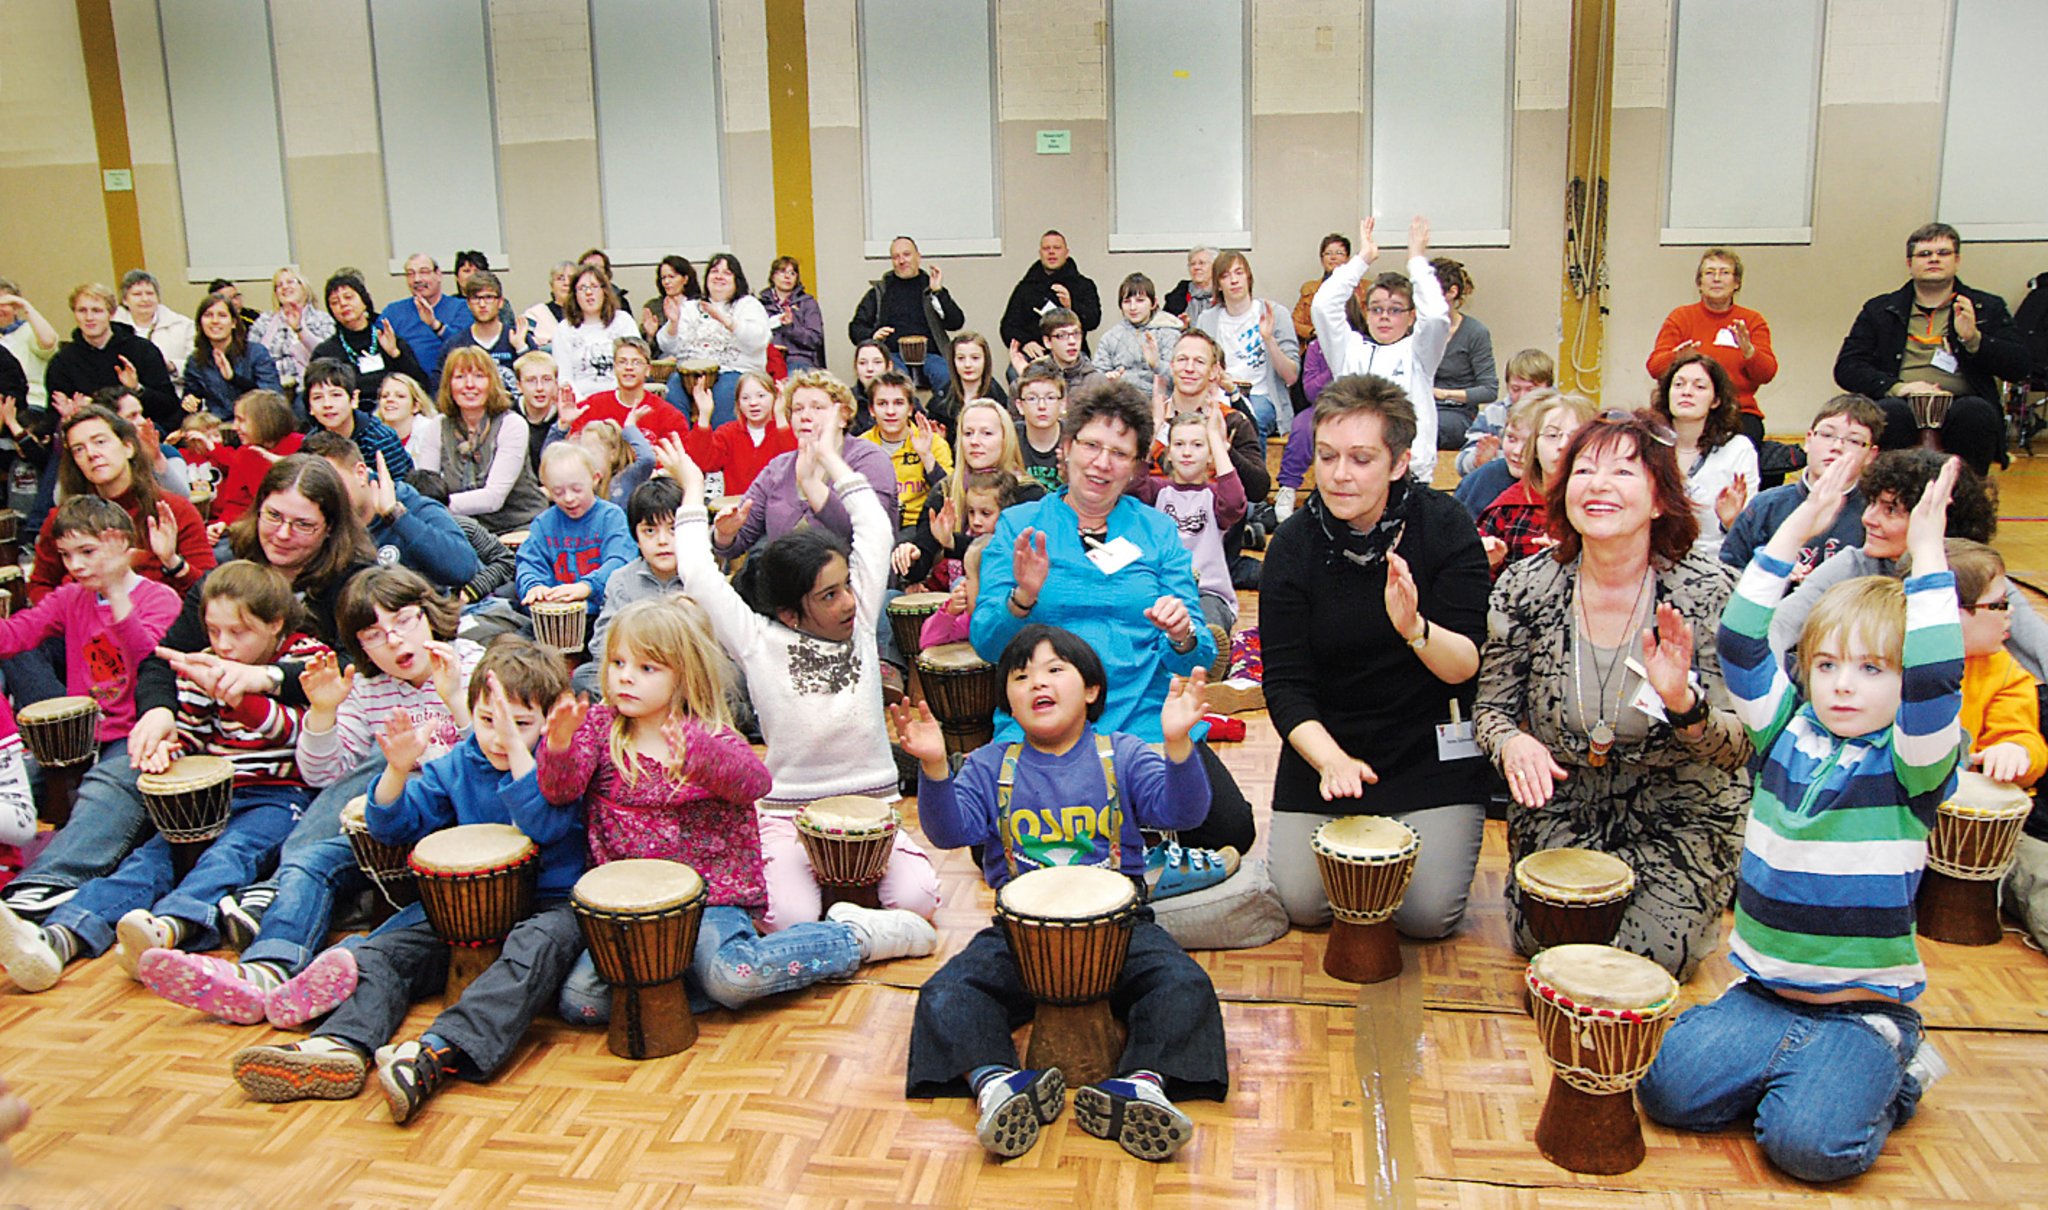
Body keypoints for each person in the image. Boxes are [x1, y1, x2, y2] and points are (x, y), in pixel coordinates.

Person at [1637, 454, 1962, 1183]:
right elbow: (1744, 639)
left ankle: (1893, 1068)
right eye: (1829, 666)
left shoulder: (1911, 761)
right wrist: (1802, 524)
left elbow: (1941, 674)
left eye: (1874, 670)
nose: (1844, 686)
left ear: (1904, 685)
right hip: (1762, 992)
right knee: (1666, 1092)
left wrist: (1931, 554)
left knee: (1807, 1149)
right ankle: (1797, 1064)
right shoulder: (1785, 728)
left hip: (1861, 1009)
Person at [898, 624, 1226, 1161]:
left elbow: (1184, 813)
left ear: (1092, 689)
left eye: (1055, 670)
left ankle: (1141, 1085)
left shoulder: (1121, 753)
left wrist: (1177, 747)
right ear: (1007, 697)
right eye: (1021, 676)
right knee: (947, 993)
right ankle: (999, 1085)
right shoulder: (989, 764)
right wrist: (935, 767)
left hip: (1121, 929)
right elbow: (950, 833)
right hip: (1018, 935)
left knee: (1183, 985)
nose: (1036, 683)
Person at [0, 456, 373, 928]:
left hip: (307, 756)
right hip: (216, 745)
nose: (281, 533)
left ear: (329, 529)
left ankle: (245, 906)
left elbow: (357, 662)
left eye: (302, 524)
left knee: (257, 835)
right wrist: (158, 713)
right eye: (273, 517)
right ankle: (45, 888)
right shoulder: (228, 576)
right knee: (121, 773)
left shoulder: (352, 582)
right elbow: (165, 658)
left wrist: (271, 677)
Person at [227, 641, 580, 1125]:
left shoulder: (562, 764)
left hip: (549, 904)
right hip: (462, 904)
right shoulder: (457, 764)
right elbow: (393, 826)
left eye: (519, 724)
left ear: (546, 722)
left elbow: (546, 826)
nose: (500, 737)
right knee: (378, 951)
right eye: (487, 720)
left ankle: (436, 1052)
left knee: (534, 947)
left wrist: (522, 751)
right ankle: (340, 1045)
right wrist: (395, 769)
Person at [550, 598, 936, 1028]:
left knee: (733, 979)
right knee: (580, 1001)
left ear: (683, 676)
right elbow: (560, 790)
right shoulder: (599, 729)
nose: (625, 677)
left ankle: (853, 936)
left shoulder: (708, 735)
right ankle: (680, 981)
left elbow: (756, 783)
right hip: (630, 907)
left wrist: (698, 755)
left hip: (712, 896)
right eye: (618, 662)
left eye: (646, 668)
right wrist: (560, 745)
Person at [1476, 408, 1754, 980]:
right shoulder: (1527, 585)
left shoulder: (1708, 592)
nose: (1599, 485)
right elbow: (1491, 708)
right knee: (1546, 944)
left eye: (1624, 472)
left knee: (1645, 956)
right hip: (1567, 802)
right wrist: (1511, 745)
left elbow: (1744, 745)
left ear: (1658, 499)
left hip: (1678, 807)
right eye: (1584, 471)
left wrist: (1686, 706)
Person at [136, 568, 482, 1027]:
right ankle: (267, 971)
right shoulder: (367, 687)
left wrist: (456, 698)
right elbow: (326, 773)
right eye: (374, 634)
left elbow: (490, 762)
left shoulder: (473, 663)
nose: (395, 641)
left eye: (404, 621)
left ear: (428, 613)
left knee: (435, 907)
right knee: (307, 862)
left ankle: (344, 964)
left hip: (461, 832)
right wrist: (322, 712)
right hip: (392, 824)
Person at [0, 561, 325, 992]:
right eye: (213, 632)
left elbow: (296, 732)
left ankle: (169, 928)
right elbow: (194, 729)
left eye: (238, 633)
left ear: (276, 624)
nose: (223, 645)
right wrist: (171, 747)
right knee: (149, 859)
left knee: (228, 857)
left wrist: (240, 694)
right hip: (215, 792)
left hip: (277, 797)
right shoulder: (207, 663)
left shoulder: (304, 658)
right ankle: (60, 936)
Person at [667, 435, 942, 931]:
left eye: (846, 588)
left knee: (918, 899)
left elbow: (875, 529)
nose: (848, 603)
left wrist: (833, 460)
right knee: (785, 918)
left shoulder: (858, 623)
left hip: (871, 806)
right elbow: (696, 572)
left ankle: (843, 918)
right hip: (786, 814)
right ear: (791, 614)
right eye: (829, 596)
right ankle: (853, 924)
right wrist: (690, 491)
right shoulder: (755, 640)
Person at [972, 379, 1254, 858]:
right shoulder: (1021, 526)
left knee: (1231, 828)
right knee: (991, 847)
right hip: (1045, 725)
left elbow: (1198, 658)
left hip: (1143, 722)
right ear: (1067, 448)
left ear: (1137, 467)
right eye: (1092, 446)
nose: (1102, 463)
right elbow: (987, 643)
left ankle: (1110, 851)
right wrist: (1022, 597)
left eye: (1120, 453)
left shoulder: (1158, 531)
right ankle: (1139, 853)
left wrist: (1183, 634)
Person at [1259, 374, 1490, 934]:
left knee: (1425, 918)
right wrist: (1330, 760)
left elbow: (1466, 666)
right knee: (1303, 907)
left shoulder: (1446, 526)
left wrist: (1413, 628)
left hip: (1427, 751)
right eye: (1329, 456)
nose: (1339, 474)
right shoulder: (1292, 545)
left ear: (1398, 462)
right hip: (1326, 749)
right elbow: (1285, 685)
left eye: (1361, 459)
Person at [1766, 449, 2043, 676]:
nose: (1868, 518)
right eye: (1871, 503)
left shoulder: (1977, 575)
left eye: (1890, 510)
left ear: (1936, 519)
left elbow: (2038, 646)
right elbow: (1779, 626)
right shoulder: (1853, 565)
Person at [1834, 222, 2033, 475]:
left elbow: (2020, 366)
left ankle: (1963, 499)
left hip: (1962, 403)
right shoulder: (1880, 309)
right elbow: (1847, 367)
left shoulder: (1986, 307)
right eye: (1925, 254)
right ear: (1909, 264)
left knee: (1976, 413)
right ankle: (1892, 494)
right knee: (1889, 412)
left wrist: (1974, 339)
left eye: (1943, 253)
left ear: (1957, 260)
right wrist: (1899, 388)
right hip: (1900, 399)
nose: (1934, 260)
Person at [0, 497, 180, 757]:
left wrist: (115, 589)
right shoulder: (71, 596)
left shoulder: (160, 599)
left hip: (137, 732)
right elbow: (17, 635)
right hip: (81, 733)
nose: (75, 565)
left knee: (94, 793)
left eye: (87, 552)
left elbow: (149, 663)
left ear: (123, 544)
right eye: (66, 555)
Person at [1312, 217, 1452, 481]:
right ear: (1366, 313)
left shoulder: (1419, 353)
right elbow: (1322, 306)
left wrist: (1417, 261)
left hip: (1408, 476)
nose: (1384, 316)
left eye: (1395, 309)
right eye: (1376, 309)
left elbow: (1435, 317)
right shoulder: (1350, 349)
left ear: (1411, 317)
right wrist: (1362, 258)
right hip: (1354, 475)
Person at [27, 404, 212, 603]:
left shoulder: (174, 510)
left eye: (100, 442)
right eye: (79, 449)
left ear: (128, 447)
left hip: (162, 626)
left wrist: (173, 563)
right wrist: (66, 617)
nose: (91, 453)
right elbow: (40, 585)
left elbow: (209, 593)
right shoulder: (63, 519)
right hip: (85, 628)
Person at [707, 370, 898, 560]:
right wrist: (725, 533)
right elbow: (736, 543)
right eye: (798, 409)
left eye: (817, 408)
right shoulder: (778, 467)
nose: (805, 416)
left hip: (855, 584)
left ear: (843, 416)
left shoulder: (870, 458)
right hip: (788, 586)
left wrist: (810, 484)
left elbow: (870, 532)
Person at [1720, 394, 1885, 573]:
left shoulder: (1877, 513)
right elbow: (1729, 571)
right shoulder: (1766, 505)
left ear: (1871, 454)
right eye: (1827, 434)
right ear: (1808, 440)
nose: (1837, 446)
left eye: (1853, 441)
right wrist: (1771, 571)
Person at [302, 431, 477, 593]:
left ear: (360, 473)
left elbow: (463, 569)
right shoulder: (321, 524)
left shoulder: (411, 504)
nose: (325, 495)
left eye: (332, 483)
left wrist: (396, 516)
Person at [891, 401, 1042, 587]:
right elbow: (922, 562)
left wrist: (952, 542)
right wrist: (911, 556)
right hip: (950, 599)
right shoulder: (944, 490)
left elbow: (1005, 551)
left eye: (986, 433)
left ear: (1005, 439)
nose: (974, 441)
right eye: (968, 433)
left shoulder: (1028, 493)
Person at [1130, 407, 1245, 642]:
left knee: (1208, 625)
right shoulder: (1157, 491)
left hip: (1207, 592)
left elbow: (1235, 503)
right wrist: (1153, 433)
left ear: (1210, 454)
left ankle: (1209, 654)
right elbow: (1132, 485)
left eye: (1197, 445)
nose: (1187, 452)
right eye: (1179, 444)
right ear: (1169, 453)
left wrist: (1215, 439)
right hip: (1163, 590)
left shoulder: (1214, 496)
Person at [408, 345, 548, 534]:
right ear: (448, 385)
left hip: (517, 527)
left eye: (479, 376)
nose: (469, 385)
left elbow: (494, 498)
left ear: (492, 383)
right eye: (460, 377)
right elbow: (426, 488)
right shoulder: (437, 426)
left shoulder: (512, 424)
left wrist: (440, 505)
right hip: (461, 529)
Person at [1647, 248, 1777, 447]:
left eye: (1725, 273)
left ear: (1736, 283)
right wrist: (1677, 358)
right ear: (1699, 283)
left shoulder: (1752, 321)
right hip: (1686, 412)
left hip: (1738, 413)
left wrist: (1750, 352)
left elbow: (1766, 374)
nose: (1717, 279)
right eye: (1709, 273)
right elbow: (1654, 368)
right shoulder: (1681, 317)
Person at [1948, 540, 2047, 789]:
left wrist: (2016, 750)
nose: (2010, 611)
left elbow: (2020, 734)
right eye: (1998, 604)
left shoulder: (2004, 672)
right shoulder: (1885, 657)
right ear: (1952, 611)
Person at [580, 477, 686, 694]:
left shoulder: (702, 579)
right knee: (584, 678)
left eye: (673, 529)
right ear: (635, 537)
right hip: (633, 674)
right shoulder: (622, 580)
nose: (662, 541)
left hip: (688, 677)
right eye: (650, 531)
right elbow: (603, 643)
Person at [515, 443, 634, 632]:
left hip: (601, 614)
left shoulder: (611, 517)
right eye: (558, 492)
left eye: (576, 489)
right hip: (555, 618)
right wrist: (534, 586)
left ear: (595, 479)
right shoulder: (543, 523)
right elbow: (529, 561)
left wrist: (587, 586)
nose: (569, 498)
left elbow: (619, 561)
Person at [1652, 351, 1759, 561]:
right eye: (1679, 384)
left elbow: (1749, 533)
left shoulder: (1738, 449)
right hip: (1653, 560)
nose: (1687, 392)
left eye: (1699, 386)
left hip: (1715, 564)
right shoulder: (1648, 443)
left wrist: (1732, 521)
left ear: (1716, 400)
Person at [1477, 391, 1594, 580]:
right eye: (1552, 435)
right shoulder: (1507, 510)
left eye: (1574, 437)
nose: (1563, 445)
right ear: (1535, 447)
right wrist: (1491, 563)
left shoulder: (1604, 508)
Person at [1194, 252, 1301, 440]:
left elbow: (1291, 376)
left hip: (1261, 397)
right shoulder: (1207, 320)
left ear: (1248, 277)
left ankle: (1251, 470)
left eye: (1239, 273)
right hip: (1218, 395)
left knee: (1246, 422)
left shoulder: (1274, 314)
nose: (1234, 280)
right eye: (1226, 276)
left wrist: (1268, 339)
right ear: (1218, 285)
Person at [45, 283, 181, 431]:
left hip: (140, 431)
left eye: (97, 311)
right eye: (82, 311)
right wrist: (70, 415)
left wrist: (137, 389)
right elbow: (53, 415)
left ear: (111, 313)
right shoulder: (63, 361)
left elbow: (169, 406)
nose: (89, 317)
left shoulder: (142, 349)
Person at [848, 236, 964, 392]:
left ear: (918, 257)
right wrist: (873, 335)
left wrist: (939, 293)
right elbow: (855, 328)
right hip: (892, 355)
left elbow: (956, 322)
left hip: (931, 354)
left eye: (906, 254)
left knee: (948, 378)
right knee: (894, 383)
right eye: (896, 257)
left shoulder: (931, 289)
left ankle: (938, 415)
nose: (901, 261)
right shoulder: (880, 292)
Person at [186, 390, 303, 529]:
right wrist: (223, 523)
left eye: (241, 421)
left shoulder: (302, 445)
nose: (235, 427)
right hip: (259, 526)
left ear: (264, 421)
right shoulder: (243, 454)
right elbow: (237, 504)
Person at [310, 272, 426, 409]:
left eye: (348, 297)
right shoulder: (325, 352)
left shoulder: (388, 339)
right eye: (335, 302)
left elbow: (421, 385)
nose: (343, 304)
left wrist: (396, 354)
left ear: (364, 301)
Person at [679, 369, 795, 497]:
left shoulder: (786, 430)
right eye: (745, 398)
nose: (753, 403)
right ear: (738, 403)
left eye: (761, 396)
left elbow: (793, 464)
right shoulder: (728, 433)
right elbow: (704, 462)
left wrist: (780, 416)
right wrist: (704, 415)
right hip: (738, 507)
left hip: (778, 505)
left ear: (775, 397)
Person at [859, 372, 951, 529]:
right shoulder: (860, 447)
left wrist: (926, 455)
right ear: (871, 410)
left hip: (918, 527)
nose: (890, 411)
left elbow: (950, 495)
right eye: (882, 404)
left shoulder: (934, 443)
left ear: (910, 408)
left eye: (898, 403)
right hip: (871, 526)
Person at [1455, 346, 1555, 484]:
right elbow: (1461, 462)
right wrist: (1477, 460)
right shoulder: (1492, 414)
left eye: (1531, 390)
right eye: (1515, 389)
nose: (1523, 396)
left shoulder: (1562, 416)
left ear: (1548, 387)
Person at [303, 358, 413, 481]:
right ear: (310, 407)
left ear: (354, 399)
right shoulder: (310, 443)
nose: (327, 404)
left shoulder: (379, 438)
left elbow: (402, 490)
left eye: (336, 395)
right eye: (317, 397)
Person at [1428, 258, 1498, 450]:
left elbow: (1489, 389)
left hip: (1456, 412)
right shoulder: (1415, 330)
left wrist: (1443, 394)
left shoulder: (1475, 332)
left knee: (1430, 427)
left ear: (1452, 293)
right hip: (1420, 406)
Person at [999, 231, 1102, 358]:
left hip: (1072, 353)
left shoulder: (1083, 285)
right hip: (1036, 354)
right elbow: (1008, 326)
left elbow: (1093, 321)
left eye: (1057, 248)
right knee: (1015, 373)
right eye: (1046, 248)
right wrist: (1025, 343)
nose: (1051, 252)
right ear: (1040, 253)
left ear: (1066, 252)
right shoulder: (1026, 287)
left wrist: (1070, 306)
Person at [569, 336, 688, 445]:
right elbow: (574, 448)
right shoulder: (591, 407)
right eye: (622, 362)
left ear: (648, 370)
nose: (629, 367)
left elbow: (681, 457)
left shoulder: (668, 415)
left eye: (636, 362)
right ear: (614, 368)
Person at [182, 292, 281, 420]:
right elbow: (193, 396)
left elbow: (272, 399)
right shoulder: (195, 360)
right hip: (217, 426)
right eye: (208, 315)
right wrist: (190, 402)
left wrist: (234, 378)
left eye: (222, 316)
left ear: (233, 322)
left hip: (256, 423)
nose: (215, 321)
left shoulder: (256, 353)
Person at [376, 255, 470, 390]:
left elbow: (464, 346)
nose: (417, 279)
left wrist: (434, 324)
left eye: (424, 272)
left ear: (438, 275)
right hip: (409, 390)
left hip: (452, 388)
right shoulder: (393, 312)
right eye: (410, 274)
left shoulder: (461, 307)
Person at [553, 264, 641, 402]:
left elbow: (636, 366)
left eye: (594, 286)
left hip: (621, 401)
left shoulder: (623, 321)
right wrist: (584, 405)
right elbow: (564, 379)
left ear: (604, 291)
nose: (588, 293)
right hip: (582, 404)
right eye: (582, 288)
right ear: (574, 295)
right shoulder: (564, 329)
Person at [249, 268, 334, 396]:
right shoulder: (264, 321)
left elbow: (328, 356)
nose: (284, 287)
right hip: (270, 389)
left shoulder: (322, 319)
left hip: (309, 389)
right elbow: (250, 357)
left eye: (290, 282)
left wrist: (300, 330)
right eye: (279, 285)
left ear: (304, 287)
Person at [440, 269, 520, 400]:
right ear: (468, 303)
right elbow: (441, 389)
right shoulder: (455, 345)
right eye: (476, 298)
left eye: (488, 297)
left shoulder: (518, 338)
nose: (482, 304)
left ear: (500, 302)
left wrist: (522, 348)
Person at [112, 270, 195, 384]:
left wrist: (172, 366)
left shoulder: (184, 326)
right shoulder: (112, 328)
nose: (145, 299)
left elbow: (198, 367)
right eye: (137, 294)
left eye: (150, 293)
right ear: (125, 300)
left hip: (173, 393)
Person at [1013, 308, 1106, 395]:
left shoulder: (1096, 381)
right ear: (1047, 342)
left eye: (1076, 333)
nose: (1072, 341)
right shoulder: (1036, 375)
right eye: (1062, 335)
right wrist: (1026, 381)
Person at [0, 279, 61, 410]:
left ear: (16, 308)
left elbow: (48, 342)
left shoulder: (29, 330)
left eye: (4, 303)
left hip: (31, 404)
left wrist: (25, 305)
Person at [930, 331, 1006, 435]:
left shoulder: (997, 396)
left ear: (985, 360)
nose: (967, 364)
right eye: (961, 358)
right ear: (953, 362)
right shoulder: (943, 395)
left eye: (975, 358)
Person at [760, 255, 826, 371]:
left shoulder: (807, 303)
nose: (787, 277)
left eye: (792, 273)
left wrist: (791, 327)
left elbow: (815, 340)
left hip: (798, 359)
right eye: (782, 272)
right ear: (773, 276)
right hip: (766, 359)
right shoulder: (760, 304)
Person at [1013, 364, 1066, 493]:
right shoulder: (1009, 438)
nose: (1042, 406)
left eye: (1050, 398)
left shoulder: (1075, 439)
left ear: (1062, 404)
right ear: (1020, 406)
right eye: (1032, 398)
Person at [1292, 233, 1353, 344]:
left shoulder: (1363, 288)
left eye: (1339, 253)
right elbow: (1295, 323)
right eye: (1328, 253)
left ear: (1348, 258)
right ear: (1322, 259)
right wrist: (1312, 332)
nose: (1333, 257)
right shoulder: (1310, 289)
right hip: (1318, 344)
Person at [521, 261, 576, 354]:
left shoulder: (587, 314)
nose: (566, 283)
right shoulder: (536, 313)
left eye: (571, 279)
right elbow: (522, 339)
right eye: (560, 278)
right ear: (552, 285)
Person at [371, 371, 434, 449]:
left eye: (400, 396)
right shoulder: (370, 436)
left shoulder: (432, 433)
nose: (390, 399)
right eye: (385, 396)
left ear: (415, 406)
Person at [1164, 246, 1219, 327]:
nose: (1196, 267)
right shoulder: (1180, 295)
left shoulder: (1222, 293)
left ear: (1215, 267)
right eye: (1192, 264)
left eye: (1201, 263)